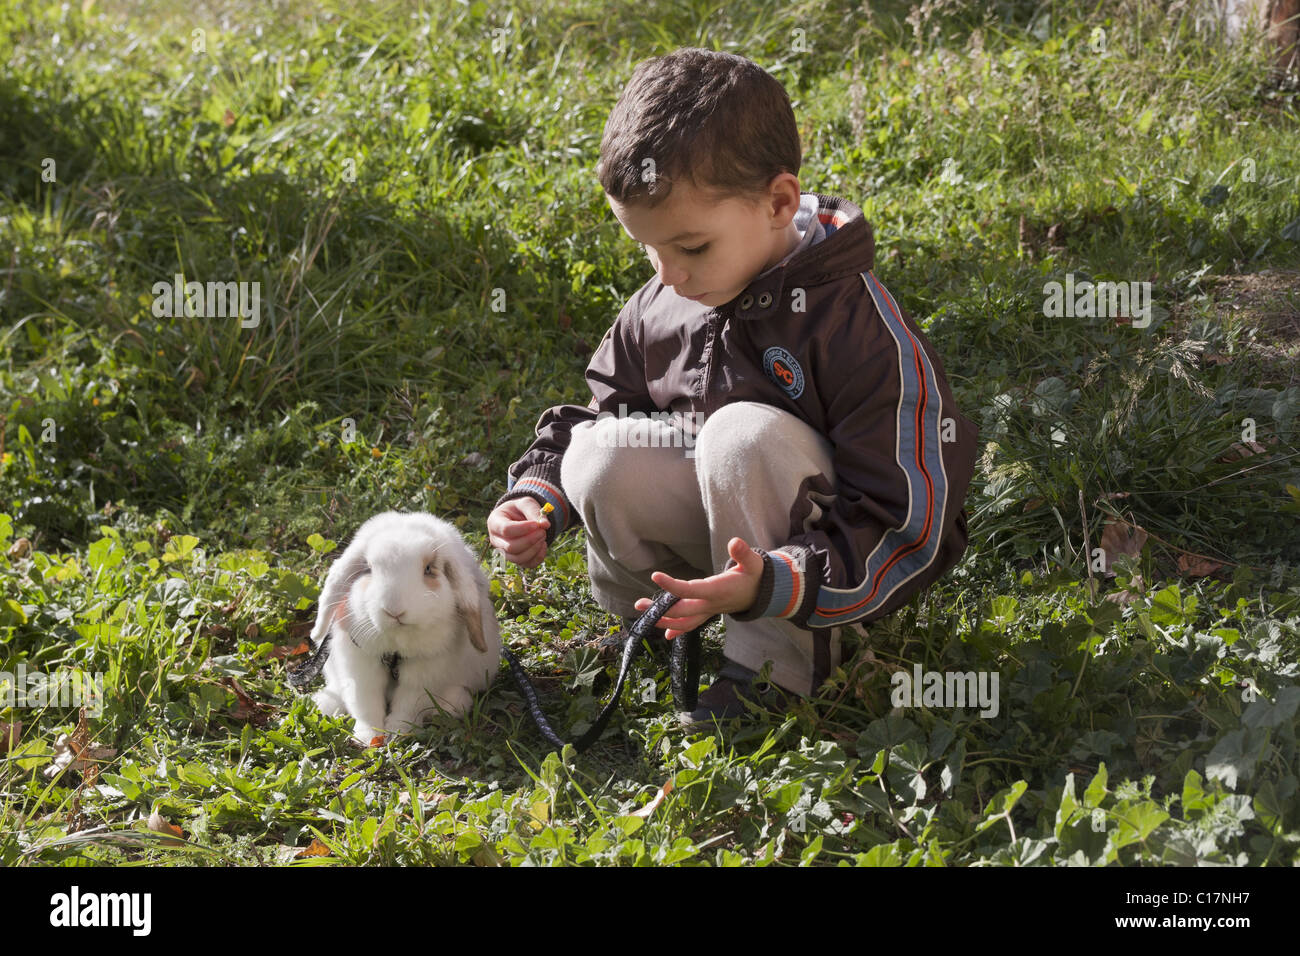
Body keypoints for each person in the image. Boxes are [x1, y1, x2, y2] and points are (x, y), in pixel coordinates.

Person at [487, 47, 978, 725]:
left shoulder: (855, 326)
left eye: (690, 247)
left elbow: (908, 519)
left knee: (741, 434)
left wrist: (779, 578)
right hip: (725, 547)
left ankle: (778, 666)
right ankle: (655, 621)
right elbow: (600, 411)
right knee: (603, 450)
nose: (669, 274)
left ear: (779, 202)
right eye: (647, 250)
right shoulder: (665, 298)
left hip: (825, 570)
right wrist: (538, 500)